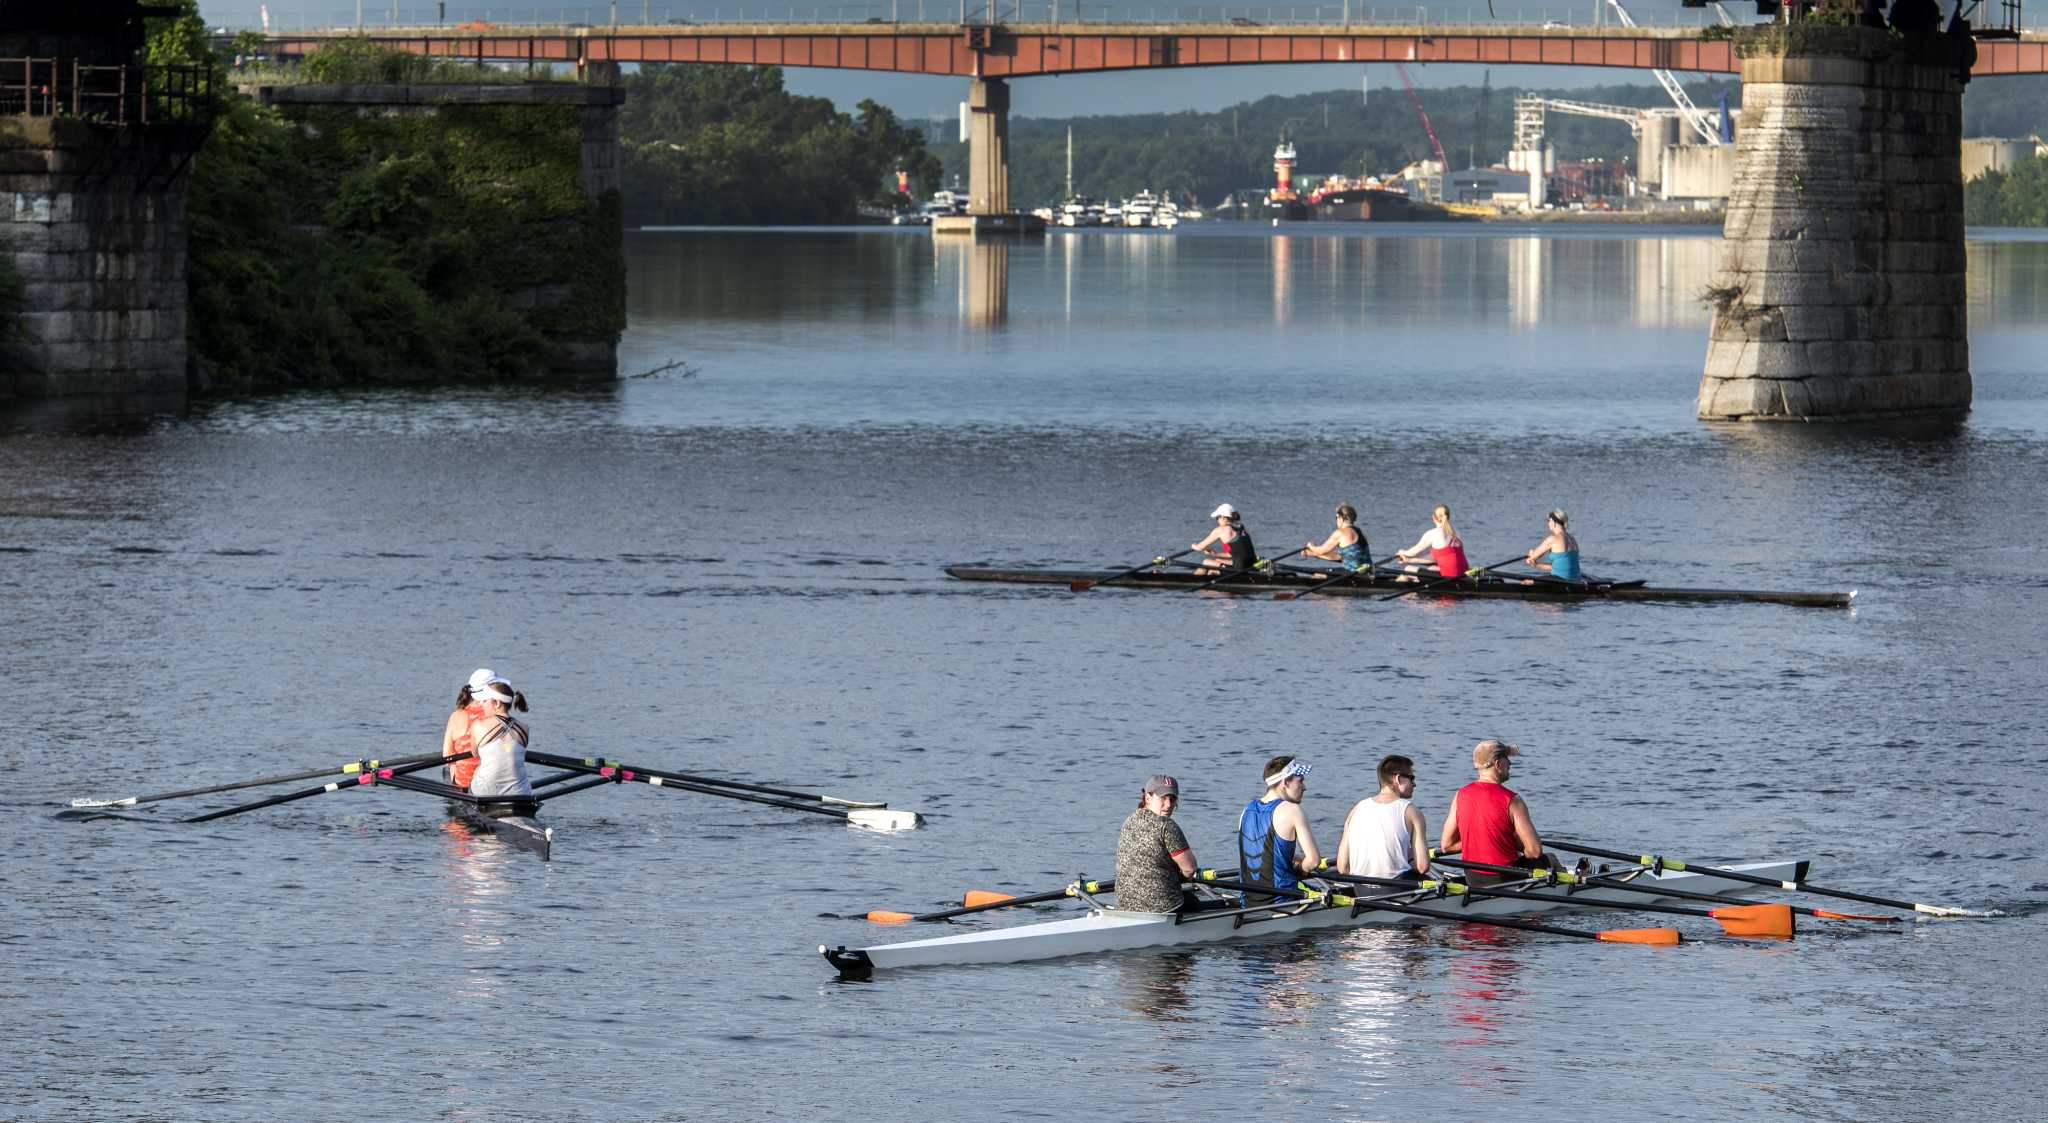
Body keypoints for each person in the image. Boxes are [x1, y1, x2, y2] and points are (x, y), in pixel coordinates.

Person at [1440, 739, 1556, 884]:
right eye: (1507, 758)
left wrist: (1485, 839)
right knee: (1550, 859)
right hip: (1504, 878)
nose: (1510, 763)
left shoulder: (1460, 795)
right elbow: (1534, 851)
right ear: (1498, 764)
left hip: (1473, 877)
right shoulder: (1512, 800)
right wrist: (1508, 840)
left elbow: (1446, 846)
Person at [1238, 756, 1323, 902]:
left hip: (1248, 901)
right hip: (1283, 902)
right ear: (1285, 782)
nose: (1304, 787)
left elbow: (1262, 851)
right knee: (1324, 893)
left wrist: (1287, 858)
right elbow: (1314, 861)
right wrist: (1299, 869)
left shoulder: (1246, 811)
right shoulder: (1292, 810)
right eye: (1300, 781)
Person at [1334, 754, 1430, 882]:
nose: (1414, 784)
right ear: (1398, 778)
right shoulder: (1411, 811)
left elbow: (1342, 867)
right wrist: (1411, 860)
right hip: (1397, 891)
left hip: (1361, 890)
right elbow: (1423, 867)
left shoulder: (1356, 810)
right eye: (1411, 778)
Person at [1114, 775, 1201, 913]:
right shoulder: (1166, 826)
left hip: (1124, 907)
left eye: (1172, 799)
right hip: (1161, 908)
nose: (1168, 805)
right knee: (1194, 902)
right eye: (1163, 798)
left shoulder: (1129, 821)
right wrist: (1182, 877)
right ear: (1147, 798)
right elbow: (1190, 869)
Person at [463, 674, 534, 817]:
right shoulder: (524, 728)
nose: (481, 705)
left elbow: (475, 754)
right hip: (520, 795)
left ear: (497, 703)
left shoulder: (478, 726)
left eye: (484, 701)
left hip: (486, 793)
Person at [1392, 503, 1470, 579]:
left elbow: (1415, 550)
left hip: (1450, 576)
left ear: (1433, 517)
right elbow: (1435, 559)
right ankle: (1412, 580)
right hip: (1463, 573)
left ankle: (1404, 582)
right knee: (1432, 568)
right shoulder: (1456, 532)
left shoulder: (1434, 533)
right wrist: (1410, 560)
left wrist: (1402, 553)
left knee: (1406, 569)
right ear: (1448, 517)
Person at [1191, 503, 1258, 577]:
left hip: (1239, 570)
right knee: (1217, 561)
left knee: (1206, 562)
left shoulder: (1221, 530)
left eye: (1217, 518)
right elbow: (1234, 554)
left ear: (1223, 517)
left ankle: (1191, 580)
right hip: (1252, 566)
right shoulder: (1241, 527)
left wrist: (1194, 546)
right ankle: (1211, 577)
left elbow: (1199, 547)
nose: (1217, 521)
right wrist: (1215, 554)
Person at [1304, 503, 1371, 571]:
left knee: (1318, 575)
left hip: (1353, 574)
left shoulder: (1340, 533)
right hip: (1367, 572)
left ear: (1340, 518)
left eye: (1336, 518)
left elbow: (1321, 550)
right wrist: (1311, 553)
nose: (1336, 520)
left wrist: (1310, 546)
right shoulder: (1360, 532)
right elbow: (1338, 557)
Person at [1524, 509, 1581, 581]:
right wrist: (1536, 565)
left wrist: (1531, 554)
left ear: (1553, 522)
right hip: (1576, 580)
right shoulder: (1573, 539)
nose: (1547, 523)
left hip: (1559, 581)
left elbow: (1532, 557)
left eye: (1548, 521)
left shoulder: (1552, 539)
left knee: (1526, 582)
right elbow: (1557, 567)